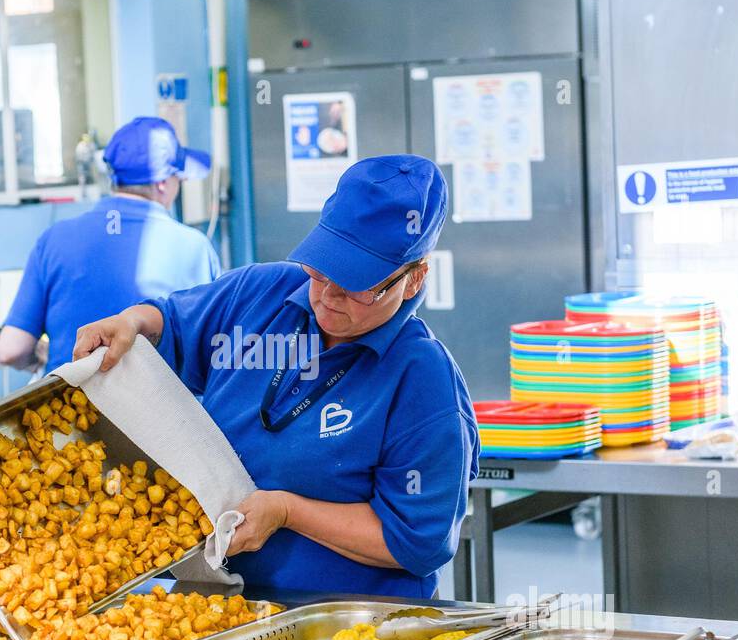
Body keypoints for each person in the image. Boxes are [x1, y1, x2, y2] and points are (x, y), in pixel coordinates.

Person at [74, 155, 479, 598]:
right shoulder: (262, 295)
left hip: (346, 622)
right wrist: (131, 321)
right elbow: (171, 322)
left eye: (355, 286)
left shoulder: (423, 381)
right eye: (320, 271)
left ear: (415, 278)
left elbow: (416, 541)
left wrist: (288, 511)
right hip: (216, 606)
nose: (326, 296)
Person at [0, 117, 221, 372]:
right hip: (163, 409)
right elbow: (216, 349)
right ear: (162, 182)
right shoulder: (195, 248)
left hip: (75, 409)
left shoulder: (55, 239)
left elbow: (10, 350)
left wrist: (37, 360)